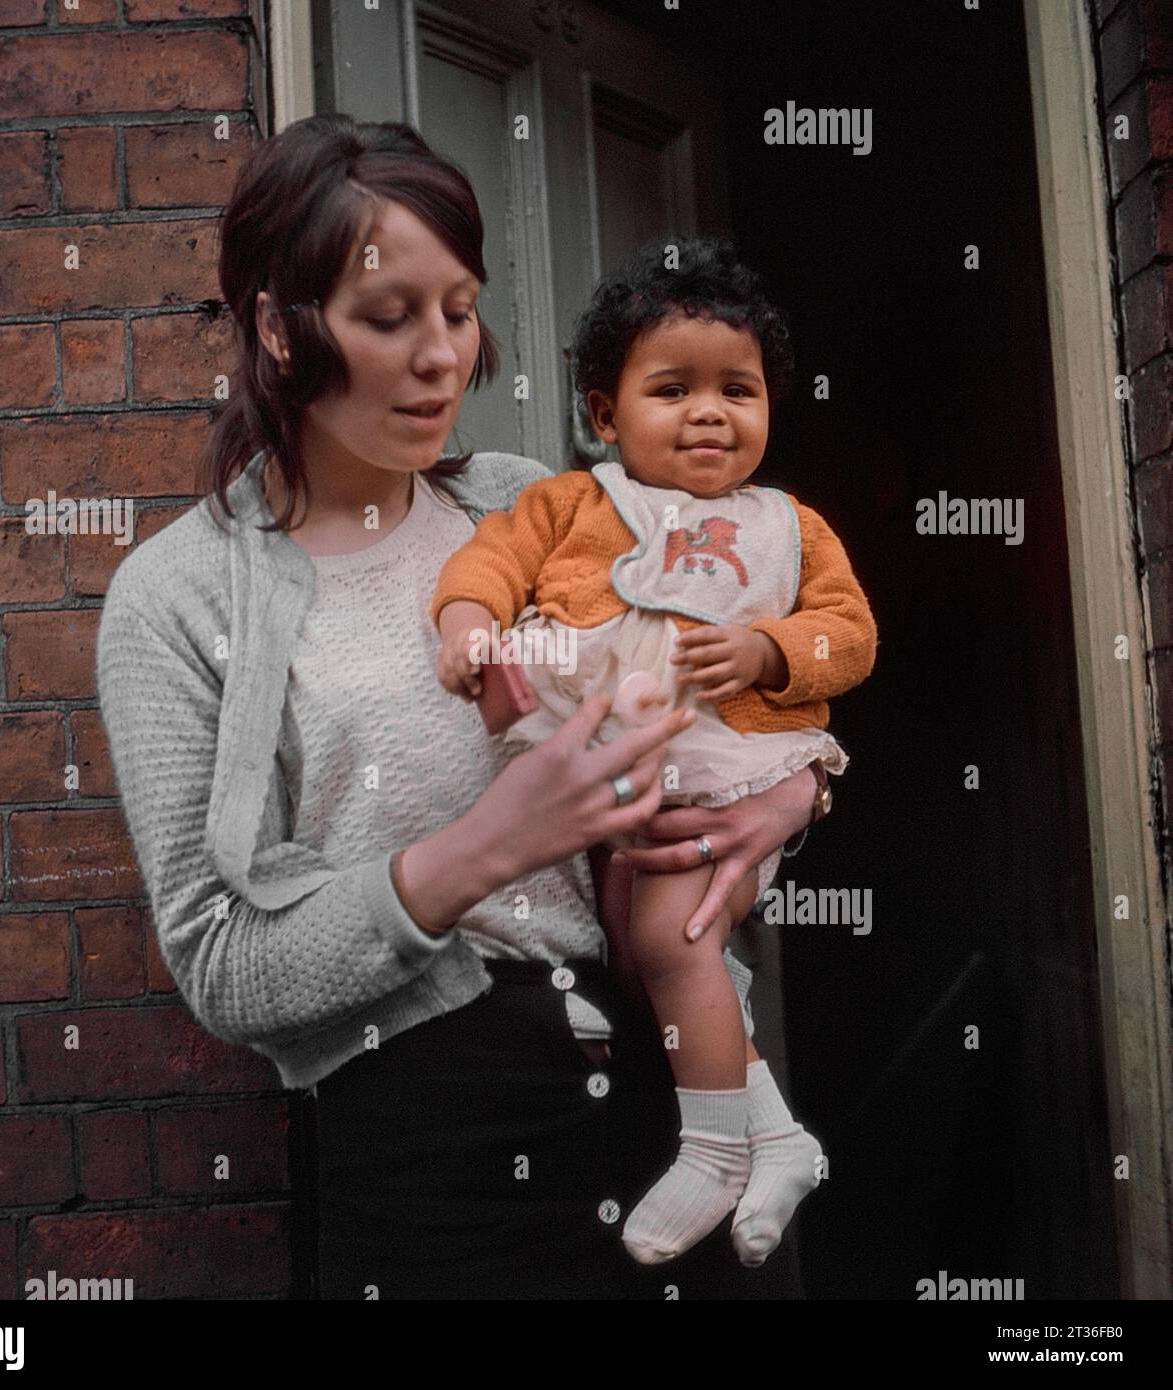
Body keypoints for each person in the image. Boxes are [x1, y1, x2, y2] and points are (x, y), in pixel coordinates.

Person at [95, 113, 823, 1300]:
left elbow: (703, 701)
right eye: (389, 317)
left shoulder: (527, 503)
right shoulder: (175, 598)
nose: (442, 356)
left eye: (459, 309)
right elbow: (223, 964)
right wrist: (491, 846)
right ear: (280, 330)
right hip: (434, 1158)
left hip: (680, 1095)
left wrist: (792, 794)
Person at [433, 236, 878, 1266]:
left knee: (673, 941)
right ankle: (776, 1136)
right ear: (604, 414)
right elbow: (485, 564)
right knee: (653, 956)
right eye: (673, 390)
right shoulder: (567, 503)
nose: (711, 413)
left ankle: (716, 1146)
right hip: (598, 760)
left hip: (725, 765)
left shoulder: (790, 528)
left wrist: (771, 647)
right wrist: (465, 626)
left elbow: (849, 636)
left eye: (739, 390)